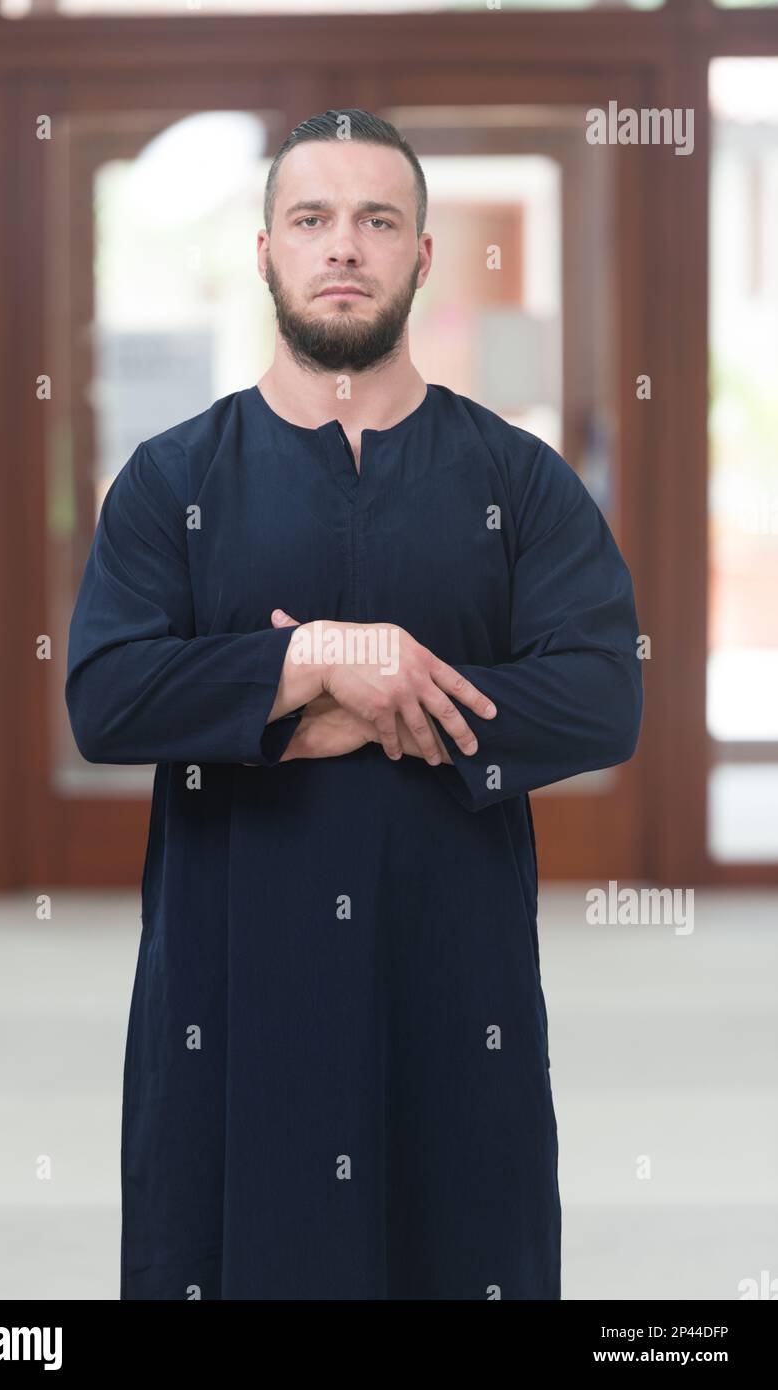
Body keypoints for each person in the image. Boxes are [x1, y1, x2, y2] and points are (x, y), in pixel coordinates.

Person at [65, 108, 643, 1301]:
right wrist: (311, 665)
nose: (344, 247)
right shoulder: (174, 477)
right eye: (312, 219)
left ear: (423, 255)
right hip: (233, 978)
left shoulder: (513, 477)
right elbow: (107, 692)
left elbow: (600, 693)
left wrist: (359, 696)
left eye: (378, 220)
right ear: (266, 250)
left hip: (453, 967)